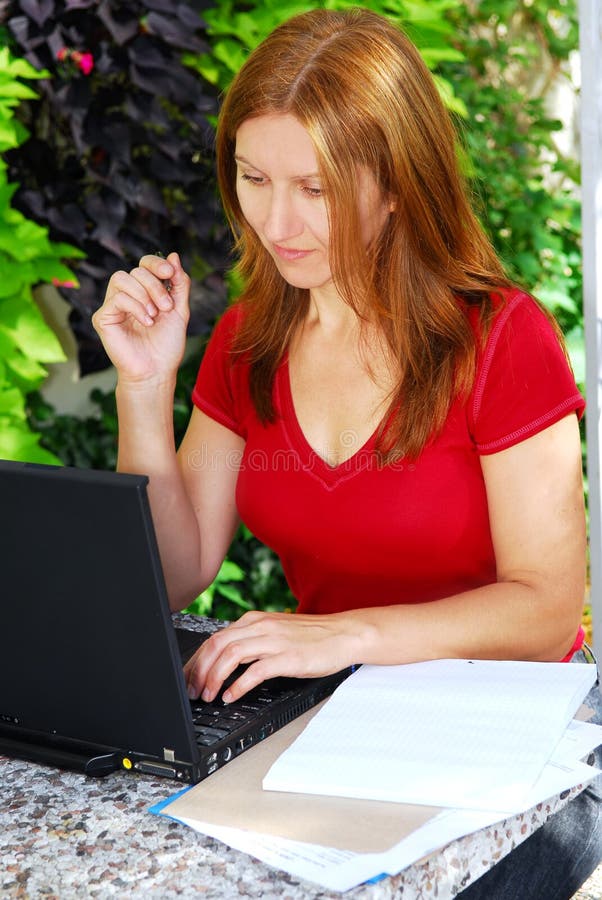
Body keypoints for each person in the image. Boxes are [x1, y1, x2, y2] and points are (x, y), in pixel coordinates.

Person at [92, 8, 600, 897]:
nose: (276, 219)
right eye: (254, 177)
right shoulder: (249, 341)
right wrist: (143, 385)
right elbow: (170, 576)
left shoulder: (501, 339)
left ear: (398, 184)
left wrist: (343, 633)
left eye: (316, 188)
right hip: (336, 723)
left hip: (521, 741)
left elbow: (549, 612)